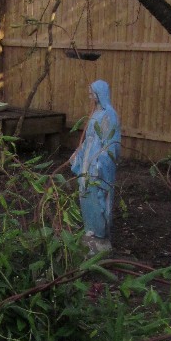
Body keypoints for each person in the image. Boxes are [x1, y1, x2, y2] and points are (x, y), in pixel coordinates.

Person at [69, 80, 121, 253]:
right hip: (87, 159)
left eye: (92, 93)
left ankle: (100, 236)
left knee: (98, 194)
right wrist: (78, 153)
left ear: (100, 94)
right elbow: (88, 138)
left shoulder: (109, 115)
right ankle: (89, 229)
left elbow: (111, 142)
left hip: (98, 161)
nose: (89, 95)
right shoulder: (95, 113)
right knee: (85, 193)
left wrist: (101, 161)